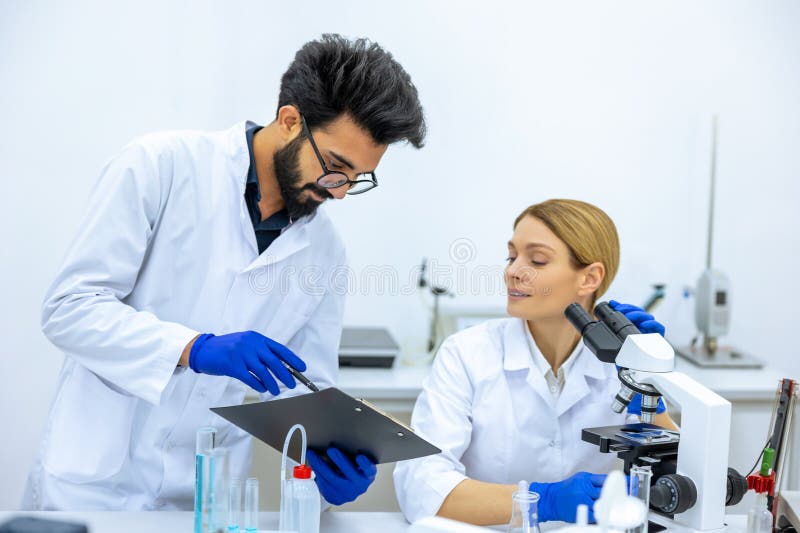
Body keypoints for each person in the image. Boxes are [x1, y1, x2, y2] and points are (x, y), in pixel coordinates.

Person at [23, 34, 426, 511]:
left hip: (206, 497)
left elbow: (308, 388)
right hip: (90, 488)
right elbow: (69, 309)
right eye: (336, 167)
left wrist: (327, 460)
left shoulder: (325, 251)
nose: (339, 192)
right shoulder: (161, 167)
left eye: (358, 178)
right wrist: (195, 349)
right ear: (291, 120)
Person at [394, 199, 676, 526]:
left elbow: (679, 485)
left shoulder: (623, 363)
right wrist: (544, 500)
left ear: (589, 278)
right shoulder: (467, 353)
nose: (513, 271)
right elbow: (421, 486)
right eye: (511, 256)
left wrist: (653, 392)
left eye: (537, 260)